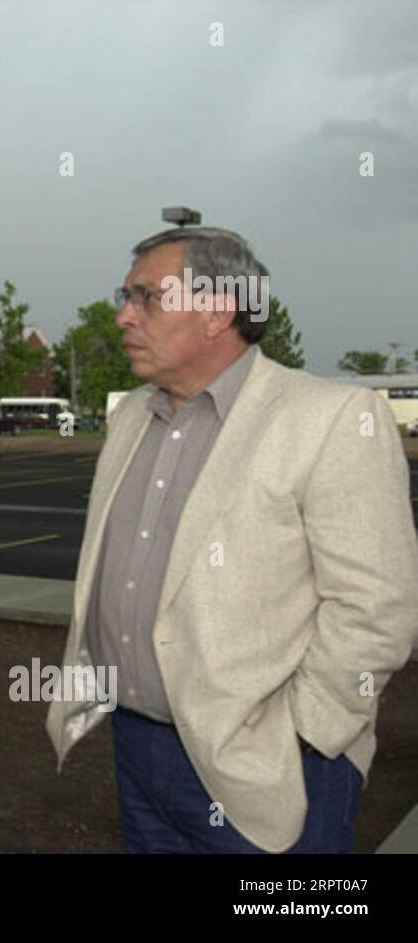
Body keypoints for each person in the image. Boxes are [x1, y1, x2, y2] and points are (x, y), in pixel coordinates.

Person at [46, 226, 418, 853]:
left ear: (218, 310)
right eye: (125, 296)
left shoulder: (330, 418)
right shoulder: (132, 416)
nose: (122, 316)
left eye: (145, 297)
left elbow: (377, 606)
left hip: (274, 763)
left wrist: (306, 734)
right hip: (137, 747)